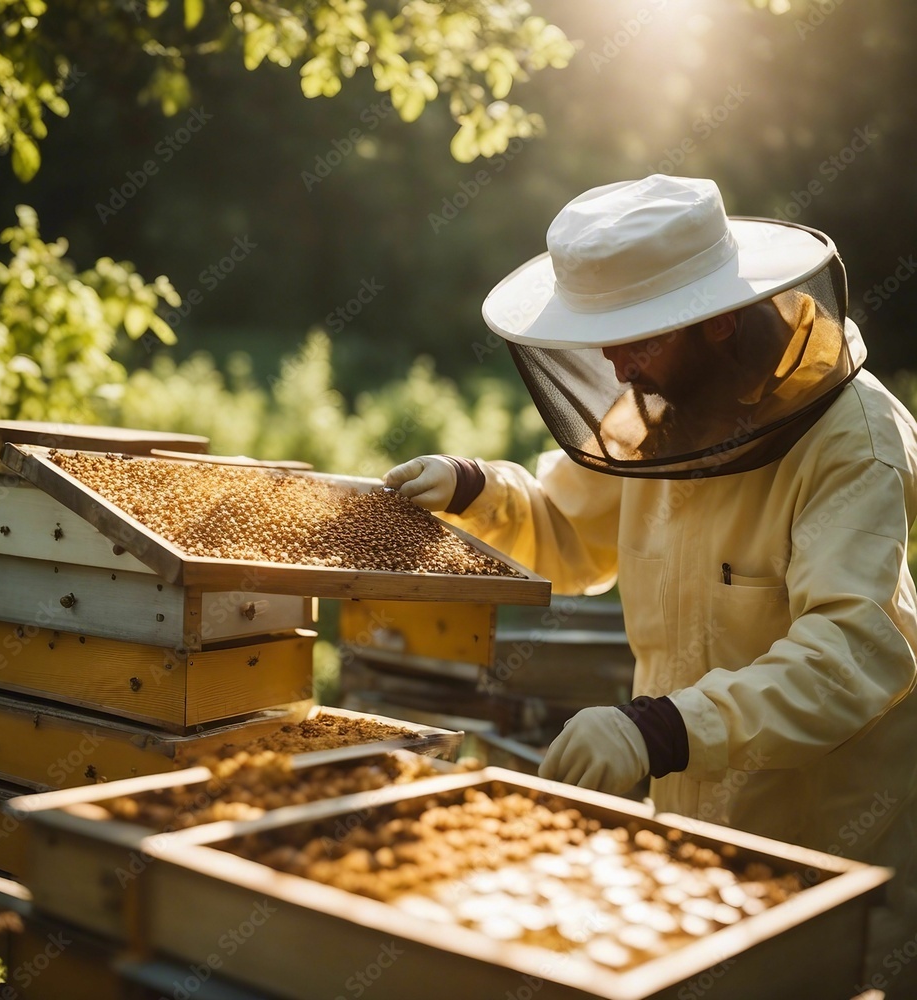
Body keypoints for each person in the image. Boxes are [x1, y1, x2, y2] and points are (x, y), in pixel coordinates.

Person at [384, 174, 917, 996]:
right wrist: (475, 489)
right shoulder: (658, 415)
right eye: (606, 334)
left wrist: (659, 730)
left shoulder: (851, 439)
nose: (613, 361)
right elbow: (571, 535)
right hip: (690, 831)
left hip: (825, 850)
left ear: (717, 324)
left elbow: (851, 655)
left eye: (640, 338)